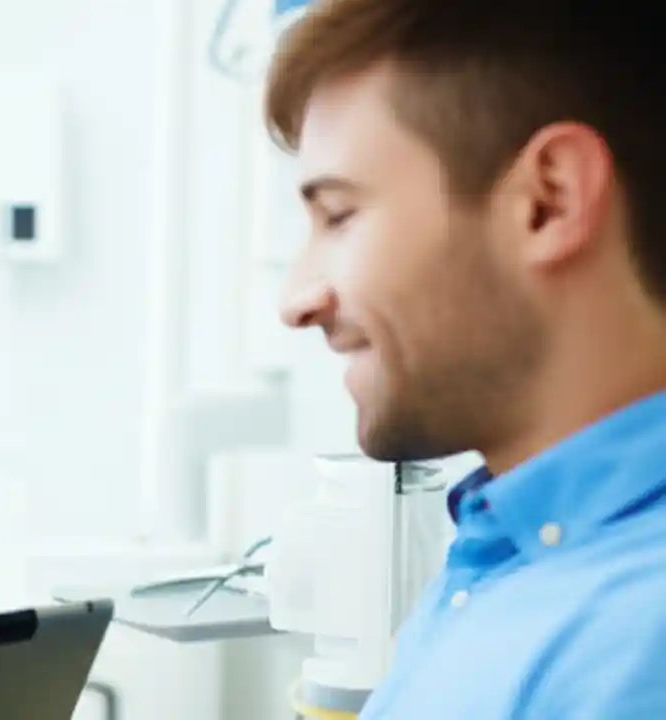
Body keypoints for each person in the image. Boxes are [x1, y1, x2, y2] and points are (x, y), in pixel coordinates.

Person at [267, 1, 666, 717]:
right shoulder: (509, 555)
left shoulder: (633, 647)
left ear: (549, 200)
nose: (296, 299)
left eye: (340, 216)